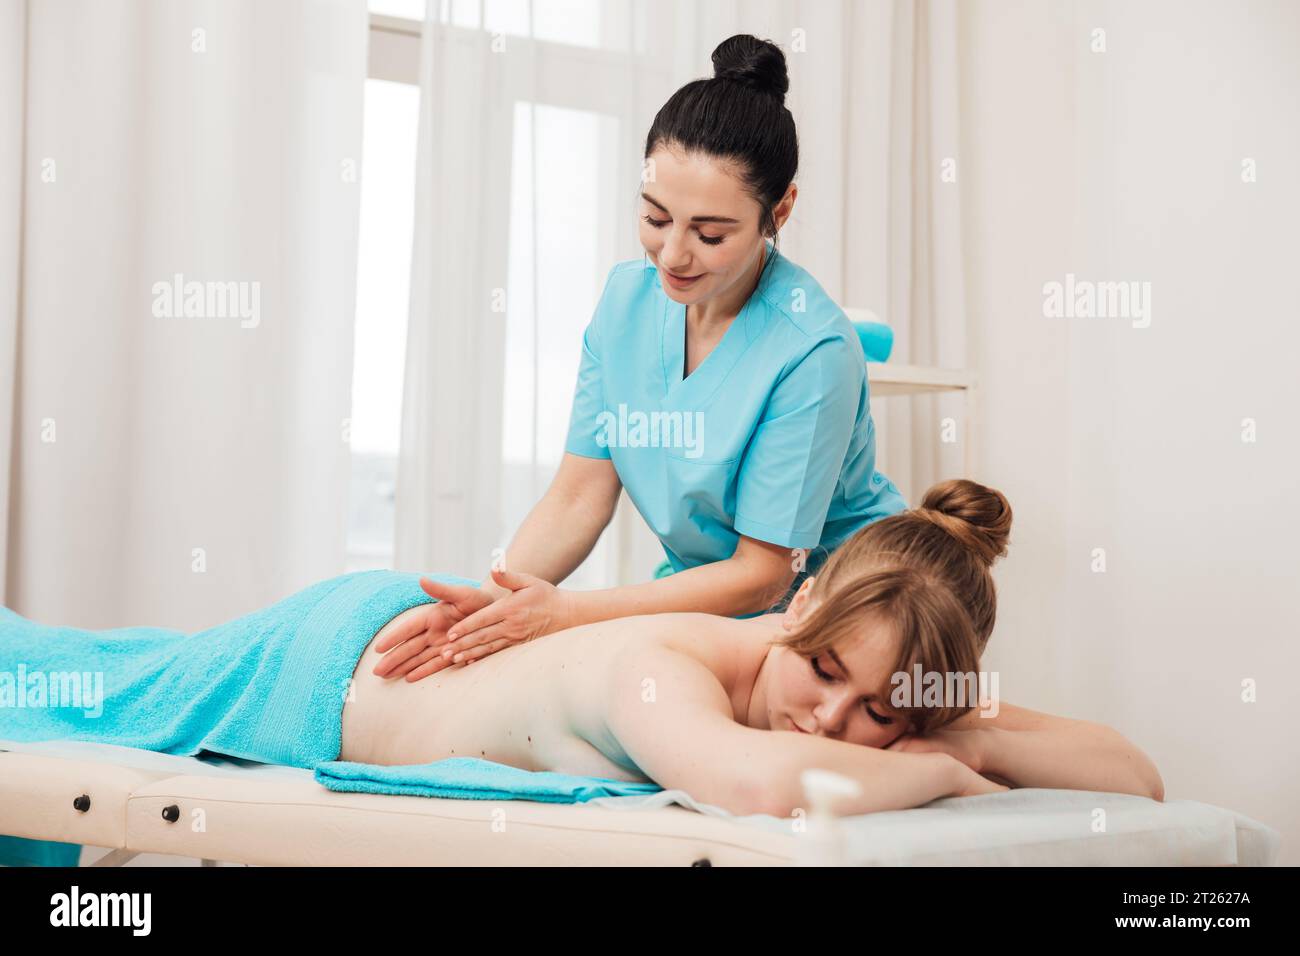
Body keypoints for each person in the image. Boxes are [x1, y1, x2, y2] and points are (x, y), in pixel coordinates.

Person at [375, 34, 906, 682]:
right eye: (656, 218)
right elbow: (578, 496)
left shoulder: (813, 351)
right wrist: (495, 602)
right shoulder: (627, 301)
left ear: (781, 210)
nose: (673, 255)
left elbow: (764, 574)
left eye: (710, 234)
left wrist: (565, 613)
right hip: (703, 603)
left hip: (844, 609)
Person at [344, 480, 1163, 816]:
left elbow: (1133, 777)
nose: (830, 720)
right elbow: (764, 785)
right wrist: (948, 769)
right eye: (824, 669)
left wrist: (970, 731)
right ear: (798, 605)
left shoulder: (884, 689)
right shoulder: (661, 668)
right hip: (336, 661)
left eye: (879, 709)